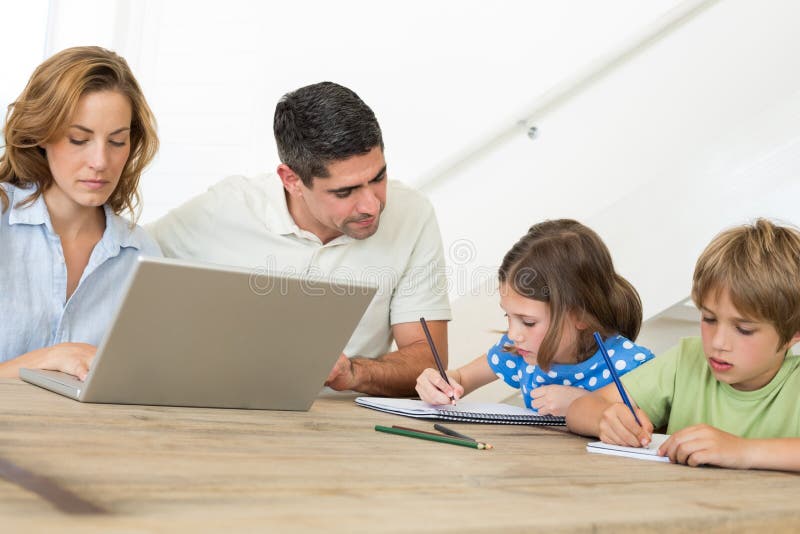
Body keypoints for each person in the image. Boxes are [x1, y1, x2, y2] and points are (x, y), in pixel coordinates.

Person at [147, 81, 451, 396]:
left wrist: (354, 373)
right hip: (225, 412)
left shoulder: (412, 214)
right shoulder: (226, 207)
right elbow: (122, 262)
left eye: (378, 178)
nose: (372, 205)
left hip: (344, 429)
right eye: (344, 192)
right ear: (291, 180)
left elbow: (428, 362)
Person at [566, 219, 800, 471]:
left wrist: (743, 451)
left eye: (744, 329)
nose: (718, 342)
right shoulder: (686, 360)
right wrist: (605, 418)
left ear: (793, 334)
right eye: (709, 318)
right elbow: (580, 409)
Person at [0, 46, 161, 379]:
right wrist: (45, 360)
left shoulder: (140, 254)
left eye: (117, 141)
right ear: (41, 134)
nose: (100, 162)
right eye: (78, 139)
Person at [415, 219, 654, 415]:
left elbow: (650, 424)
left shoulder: (632, 366)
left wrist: (583, 403)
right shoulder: (517, 352)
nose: (513, 334)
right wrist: (439, 383)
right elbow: (461, 377)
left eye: (528, 322)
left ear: (581, 315)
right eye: (508, 316)